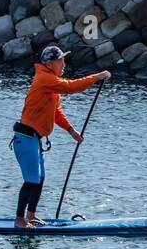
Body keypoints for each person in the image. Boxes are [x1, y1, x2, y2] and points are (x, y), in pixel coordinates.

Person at [13, 45, 112, 229]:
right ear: (50, 63)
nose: (64, 64)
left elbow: (56, 112)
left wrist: (72, 131)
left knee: (40, 179)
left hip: (34, 140)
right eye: (61, 60)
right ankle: (19, 220)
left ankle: (31, 215)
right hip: (25, 138)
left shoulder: (51, 82)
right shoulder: (45, 79)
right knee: (32, 180)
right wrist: (96, 77)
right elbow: (71, 87)